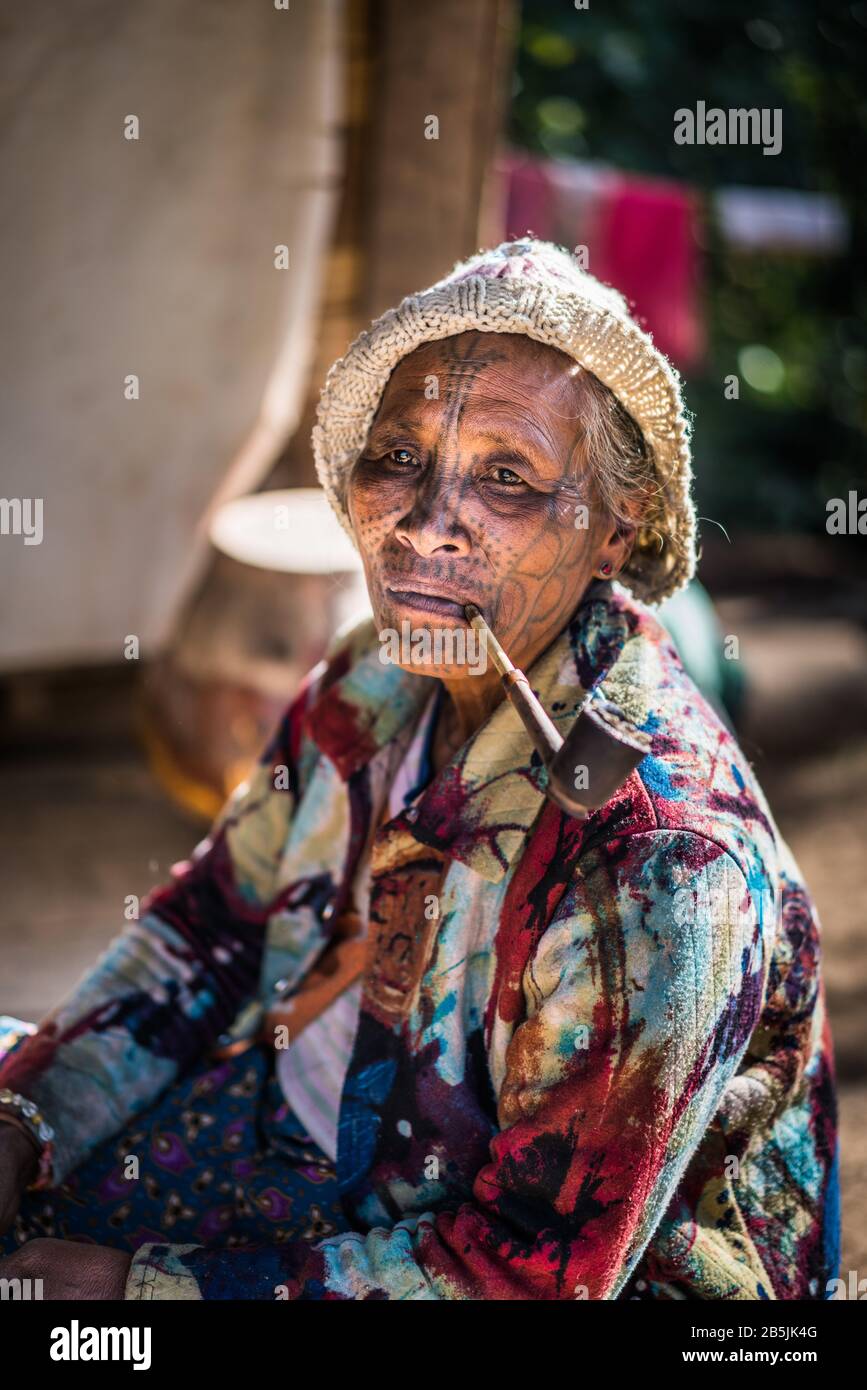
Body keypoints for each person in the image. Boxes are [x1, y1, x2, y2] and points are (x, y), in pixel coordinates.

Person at [0, 238, 840, 1300]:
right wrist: (23, 1115)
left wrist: (143, 1292)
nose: (423, 526)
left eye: (506, 476)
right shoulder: (372, 679)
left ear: (616, 534)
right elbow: (216, 920)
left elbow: (527, 1278)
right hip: (304, 1139)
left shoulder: (657, 862)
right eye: (396, 458)